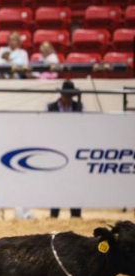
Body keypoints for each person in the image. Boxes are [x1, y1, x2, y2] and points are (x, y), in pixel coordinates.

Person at [47, 80, 83, 219]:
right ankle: (54, 213)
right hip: (55, 147)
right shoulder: (50, 107)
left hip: (74, 147)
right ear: (61, 94)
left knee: (75, 180)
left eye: (70, 95)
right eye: (66, 95)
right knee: (56, 181)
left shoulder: (79, 106)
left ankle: (75, 214)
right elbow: (45, 125)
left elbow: (84, 125)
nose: (68, 98)